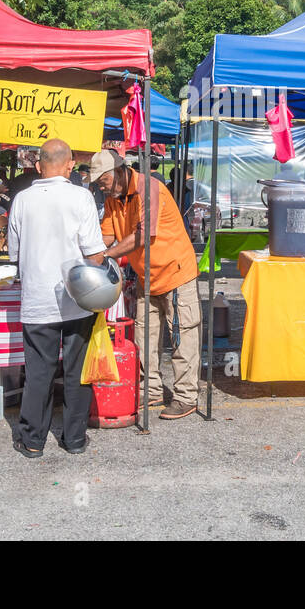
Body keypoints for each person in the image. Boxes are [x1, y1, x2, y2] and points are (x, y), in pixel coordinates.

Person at [7, 139, 106, 457]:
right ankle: (74, 438)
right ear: (69, 165)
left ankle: (33, 440)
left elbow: (14, 253)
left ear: (38, 165)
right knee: (77, 371)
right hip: (77, 298)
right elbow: (95, 255)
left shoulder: (22, 200)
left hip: (36, 299)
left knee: (39, 372)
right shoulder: (82, 197)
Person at [92, 148, 200, 419]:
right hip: (146, 276)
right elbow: (106, 236)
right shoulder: (113, 198)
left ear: (117, 173)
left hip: (175, 272)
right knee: (144, 337)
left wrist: (105, 255)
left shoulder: (148, 188)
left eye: (103, 183)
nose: (102, 189)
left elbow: (144, 234)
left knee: (181, 336)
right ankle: (149, 390)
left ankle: (186, 396)